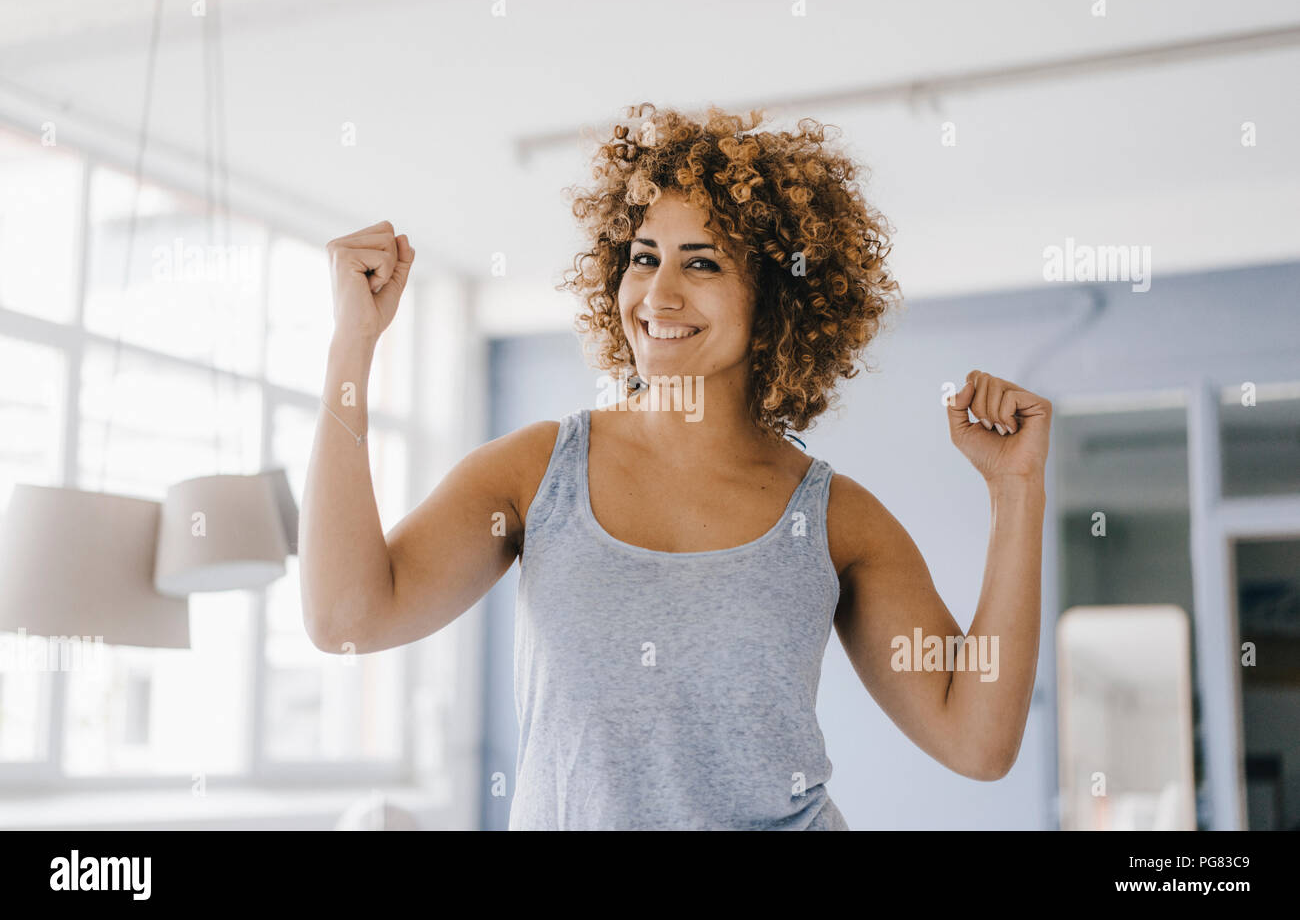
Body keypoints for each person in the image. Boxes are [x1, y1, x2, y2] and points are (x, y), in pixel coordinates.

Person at [299, 103, 1053, 830]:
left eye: (702, 263)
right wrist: (352, 344)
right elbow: (347, 619)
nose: (658, 293)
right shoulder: (536, 473)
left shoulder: (835, 520)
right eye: (643, 257)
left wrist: (1014, 491)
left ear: (775, 297)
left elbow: (977, 740)